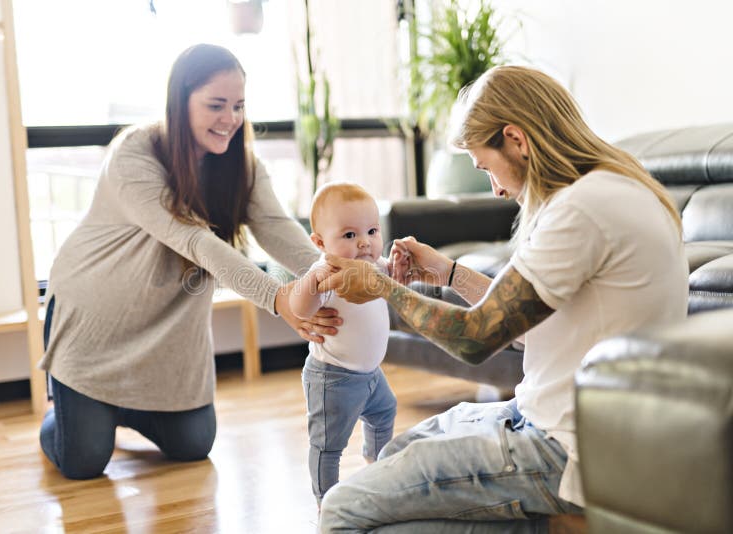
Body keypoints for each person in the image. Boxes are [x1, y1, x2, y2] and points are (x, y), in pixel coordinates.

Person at [317, 65, 688, 532]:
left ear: (516, 139)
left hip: (568, 448)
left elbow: (477, 339)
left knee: (341, 508)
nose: (495, 188)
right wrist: (445, 272)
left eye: (486, 167)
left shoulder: (581, 209)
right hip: (552, 420)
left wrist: (382, 287)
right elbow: (522, 322)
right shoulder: (606, 187)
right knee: (395, 455)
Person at [38, 43, 341, 480]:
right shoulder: (135, 154)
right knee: (83, 461)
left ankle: (116, 408)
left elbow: (274, 227)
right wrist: (280, 300)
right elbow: (194, 240)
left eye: (238, 106)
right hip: (96, 324)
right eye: (215, 105)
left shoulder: (241, 164)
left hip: (169, 334)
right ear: (179, 104)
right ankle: (70, 408)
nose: (230, 119)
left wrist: (333, 274)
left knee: (193, 446)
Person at [289, 183, 397, 506]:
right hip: (333, 379)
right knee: (328, 446)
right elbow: (300, 309)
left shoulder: (376, 266)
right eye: (350, 235)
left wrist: (399, 266)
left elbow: (395, 283)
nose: (365, 242)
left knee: (385, 412)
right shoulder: (327, 273)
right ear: (321, 243)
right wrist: (312, 282)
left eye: (372, 231)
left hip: (371, 375)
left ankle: (375, 466)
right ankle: (327, 503)